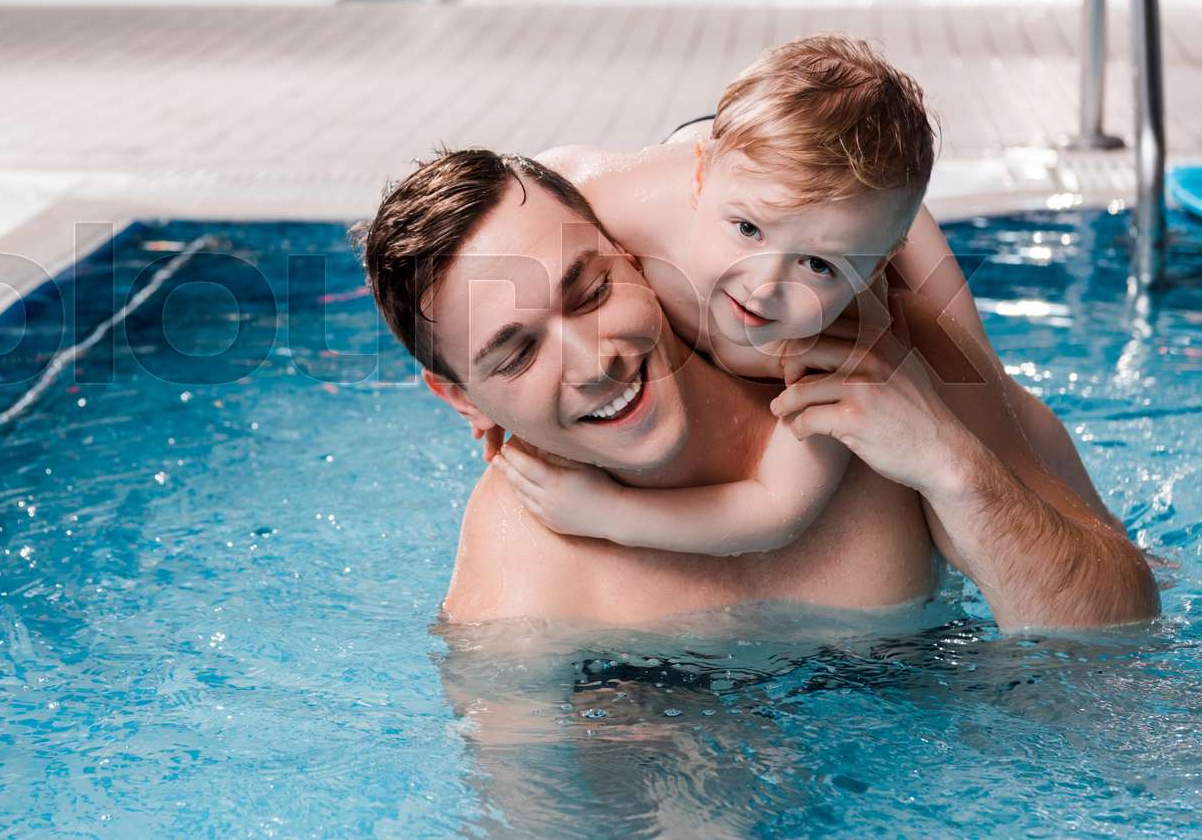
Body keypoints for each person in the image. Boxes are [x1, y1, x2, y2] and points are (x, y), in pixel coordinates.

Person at [357, 147, 1157, 630]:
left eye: (591, 292)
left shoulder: (860, 356)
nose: (593, 360)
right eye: (516, 352)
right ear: (461, 399)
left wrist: (950, 466)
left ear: (633, 257)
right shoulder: (520, 580)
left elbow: (1119, 634)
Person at [494, 35, 1116, 558]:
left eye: (816, 269)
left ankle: (1111, 531)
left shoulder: (842, 336)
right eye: (745, 235)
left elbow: (777, 510)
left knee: (988, 397)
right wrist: (476, 387)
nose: (766, 289)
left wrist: (611, 514)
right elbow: (513, 199)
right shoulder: (620, 207)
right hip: (766, 177)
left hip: (863, 218)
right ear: (700, 178)